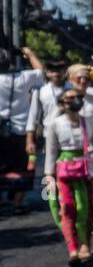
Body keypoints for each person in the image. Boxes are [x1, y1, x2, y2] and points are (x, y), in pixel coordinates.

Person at [42, 85, 93, 267]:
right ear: (62, 103)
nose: (77, 101)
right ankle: (73, 249)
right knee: (66, 209)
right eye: (71, 98)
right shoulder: (55, 124)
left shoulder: (87, 121)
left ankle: (84, 245)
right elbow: (51, 152)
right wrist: (49, 178)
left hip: (84, 171)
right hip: (63, 172)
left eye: (79, 97)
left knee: (84, 208)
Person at [0, 46, 45, 212]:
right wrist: (30, 54)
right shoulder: (24, 77)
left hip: (0, 130)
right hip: (21, 130)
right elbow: (41, 72)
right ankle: (18, 202)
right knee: (22, 167)